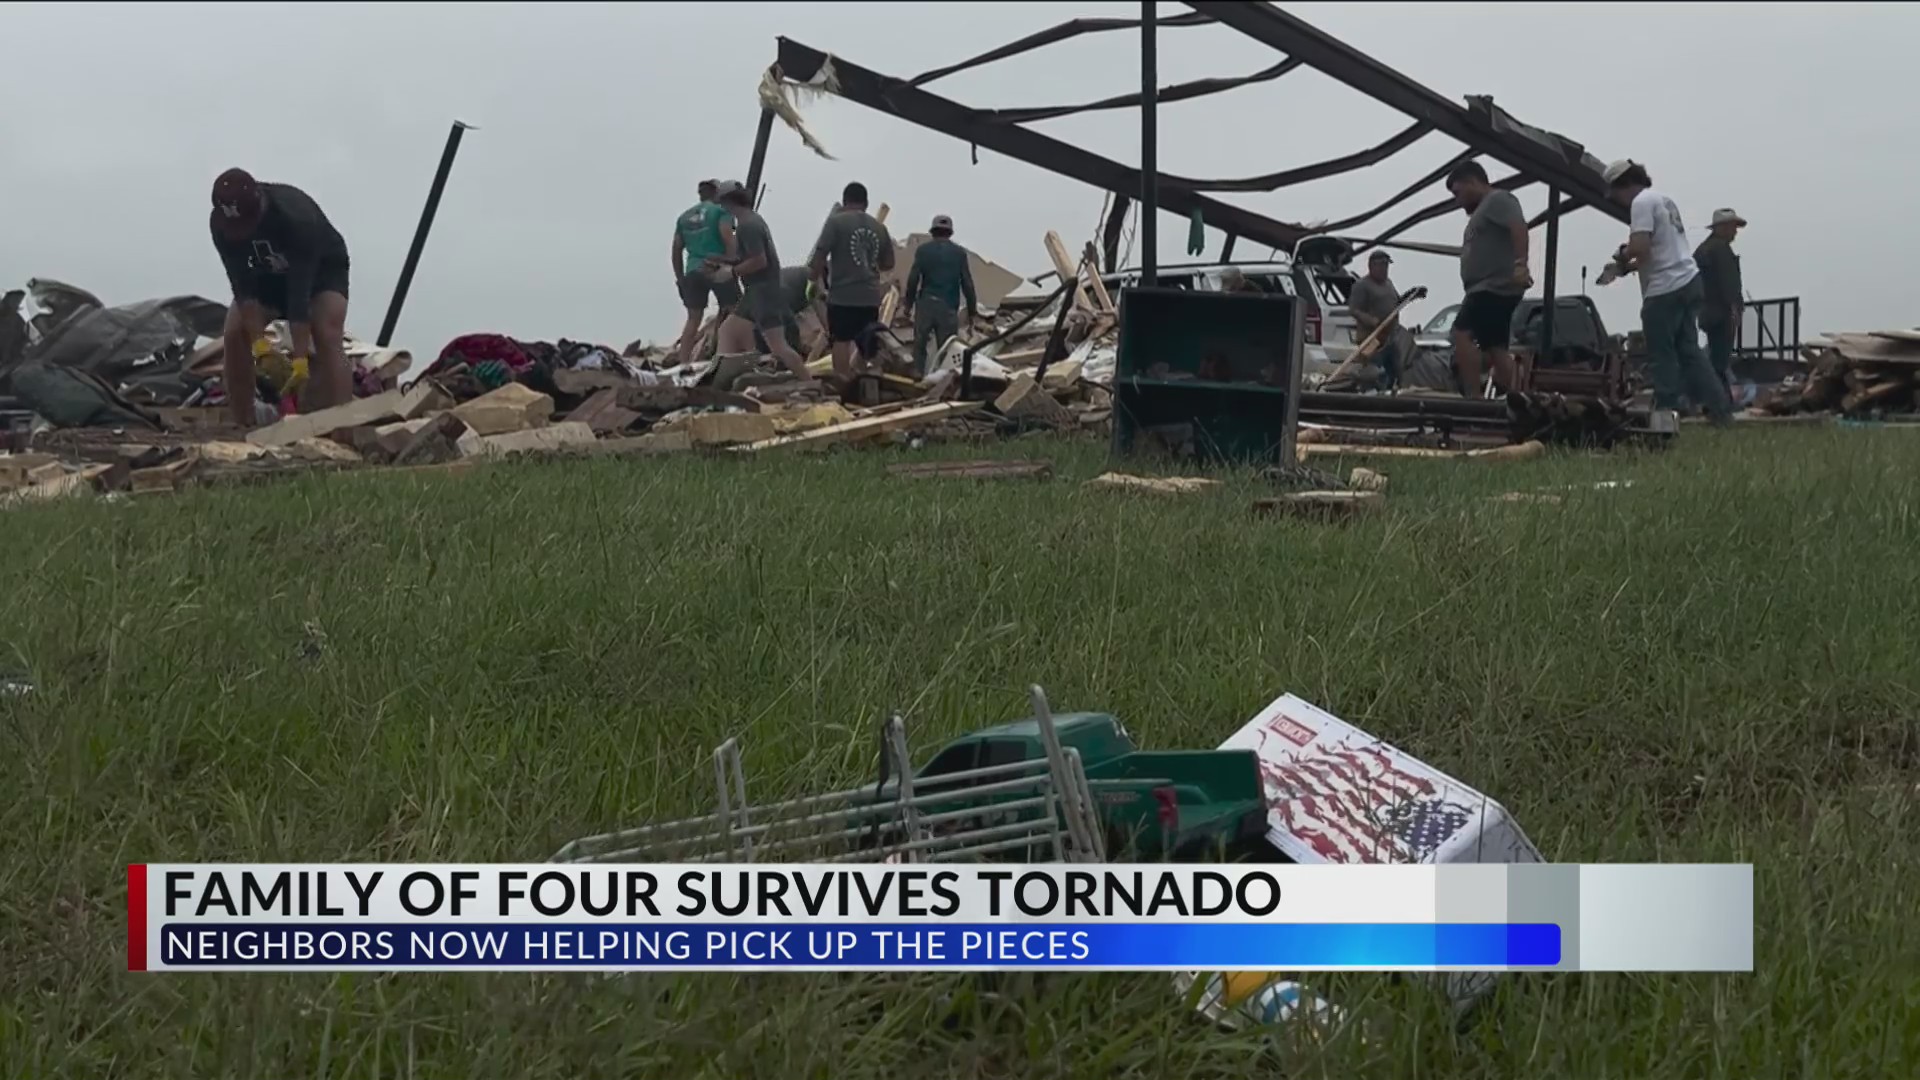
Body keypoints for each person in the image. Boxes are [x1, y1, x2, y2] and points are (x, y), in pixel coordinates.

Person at [209, 168, 351, 425]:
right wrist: (260, 347)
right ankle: (245, 423)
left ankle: (342, 425)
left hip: (320, 270)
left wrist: (299, 360)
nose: (240, 233)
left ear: (260, 206)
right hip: (265, 274)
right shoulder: (220, 225)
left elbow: (300, 294)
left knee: (327, 333)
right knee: (233, 332)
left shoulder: (295, 218)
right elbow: (242, 286)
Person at [1602, 160, 1730, 422]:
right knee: (1690, 350)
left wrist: (1621, 255)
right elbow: (1658, 251)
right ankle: (1720, 409)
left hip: (1664, 289)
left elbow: (1640, 247)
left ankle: (1666, 413)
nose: (1619, 201)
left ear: (1623, 185)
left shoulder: (1640, 203)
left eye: (1616, 194)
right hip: (1688, 280)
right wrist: (1628, 269)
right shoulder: (1663, 200)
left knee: (1662, 353)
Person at [1444, 161, 1530, 397]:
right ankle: (1520, 398)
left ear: (1473, 182)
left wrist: (1521, 264)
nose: (1457, 200)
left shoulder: (1499, 200)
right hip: (1486, 287)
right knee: (1495, 348)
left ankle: (1473, 400)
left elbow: (1518, 227)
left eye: (1458, 192)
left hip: (1492, 287)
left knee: (1462, 334)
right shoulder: (1485, 209)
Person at [708, 181, 810, 379]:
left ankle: (809, 382)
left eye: (722, 203)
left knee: (779, 346)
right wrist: (720, 260)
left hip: (764, 292)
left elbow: (759, 261)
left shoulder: (748, 226)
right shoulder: (752, 221)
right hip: (756, 292)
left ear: (730, 202)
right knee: (728, 330)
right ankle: (729, 377)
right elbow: (748, 257)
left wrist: (732, 273)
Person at [810, 182, 895, 380]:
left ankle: (842, 381)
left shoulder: (836, 222)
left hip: (843, 296)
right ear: (866, 202)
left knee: (841, 340)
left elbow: (820, 254)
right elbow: (888, 263)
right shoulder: (879, 228)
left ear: (845, 200)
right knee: (865, 341)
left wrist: (812, 281)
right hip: (870, 298)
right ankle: (862, 380)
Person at [671, 179, 738, 366]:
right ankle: (733, 353)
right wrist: (734, 264)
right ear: (717, 193)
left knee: (693, 319)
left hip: (692, 270)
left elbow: (676, 250)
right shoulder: (721, 211)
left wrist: (680, 279)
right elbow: (728, 237)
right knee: (736, 311)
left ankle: (683, 363)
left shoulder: (684, 218)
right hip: (716, 267)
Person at [901, 214, 978, 375]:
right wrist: (972, 312)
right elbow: (967, 284)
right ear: (950, 233)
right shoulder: (958, 253)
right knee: (948, 350)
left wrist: (908, 306)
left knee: (920, 346)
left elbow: (913, 279)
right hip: (948, 307)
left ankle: (917, 377)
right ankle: (945, 381)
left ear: (933, 232)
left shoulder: (923, 251)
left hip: (926, 305)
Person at [1693, 208, 1746, 391]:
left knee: (1715, 357)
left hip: (1706, 312)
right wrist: (1735, 310)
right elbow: (1728, 283)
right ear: (1722, 228)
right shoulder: (1720, 249)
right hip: (1721, 312)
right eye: (1732, 227)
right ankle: (1718, 400)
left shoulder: (1702, 250)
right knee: (1720, 360)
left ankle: (1715, 398)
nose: (1735, 232)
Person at [1346, 251, 1406, 389]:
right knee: (1374, 373)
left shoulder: (1389, 284)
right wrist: (1370, 320)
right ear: (1371, 266)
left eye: (1386, 265)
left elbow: (1396, 301)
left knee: (1397, 370)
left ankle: (1395, 394)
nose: (1385, 269)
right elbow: (1354, 309)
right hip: (1372, 338)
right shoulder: (1362, 285)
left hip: (1390, 337)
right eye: (1381, 265)